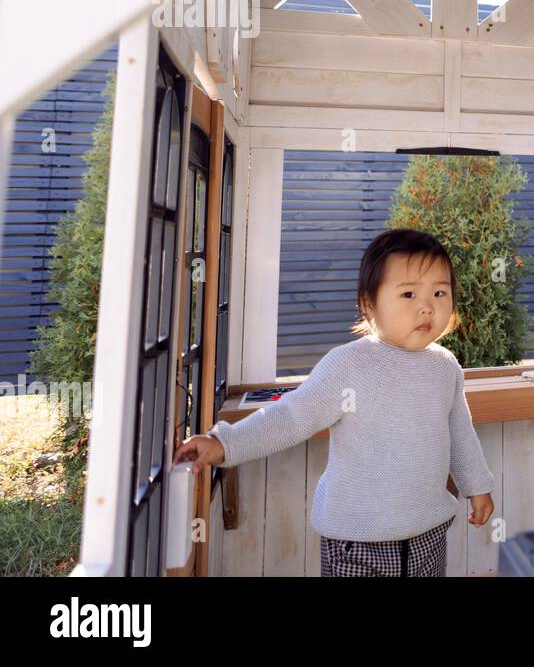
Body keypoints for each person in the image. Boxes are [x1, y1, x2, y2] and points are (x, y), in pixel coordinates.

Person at [173, 229, 495, 576]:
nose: (427, 306)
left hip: (427, 536)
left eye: (439, 292)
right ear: (369, 304)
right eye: (408, 293)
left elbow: (460, 434)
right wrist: (224, 442)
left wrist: (477, 488)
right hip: (356, 542)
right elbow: (291, 416)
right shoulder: (349, 364)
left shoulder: (445, 366)